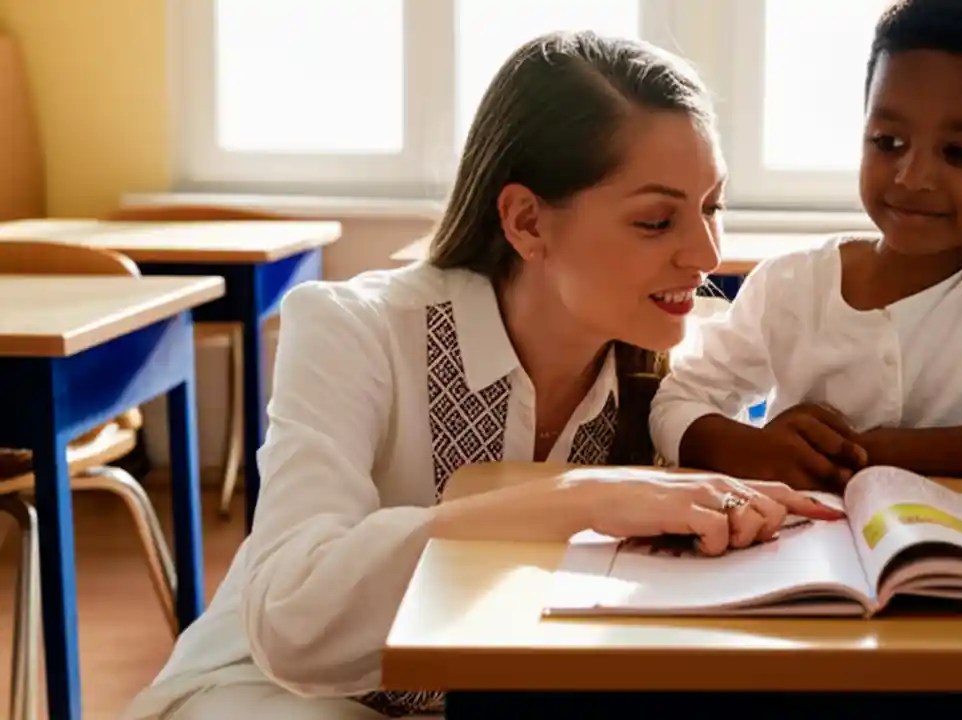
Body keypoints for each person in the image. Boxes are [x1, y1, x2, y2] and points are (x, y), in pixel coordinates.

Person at [124, 31, 842, 720]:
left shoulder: (680, 376)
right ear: (527, 221)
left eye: (713, 207)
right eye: (656, 221)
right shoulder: (351, 328)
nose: (707, 253)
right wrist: (575, 501)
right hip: (272, 697)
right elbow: (294, 626)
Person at [650, 0, 962, 488]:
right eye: (888, 142)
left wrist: (868, 451)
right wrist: (753, 448)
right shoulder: (791, 284)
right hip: (798, 550)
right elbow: (675, 404)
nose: (913, 178)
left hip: (953, 548)